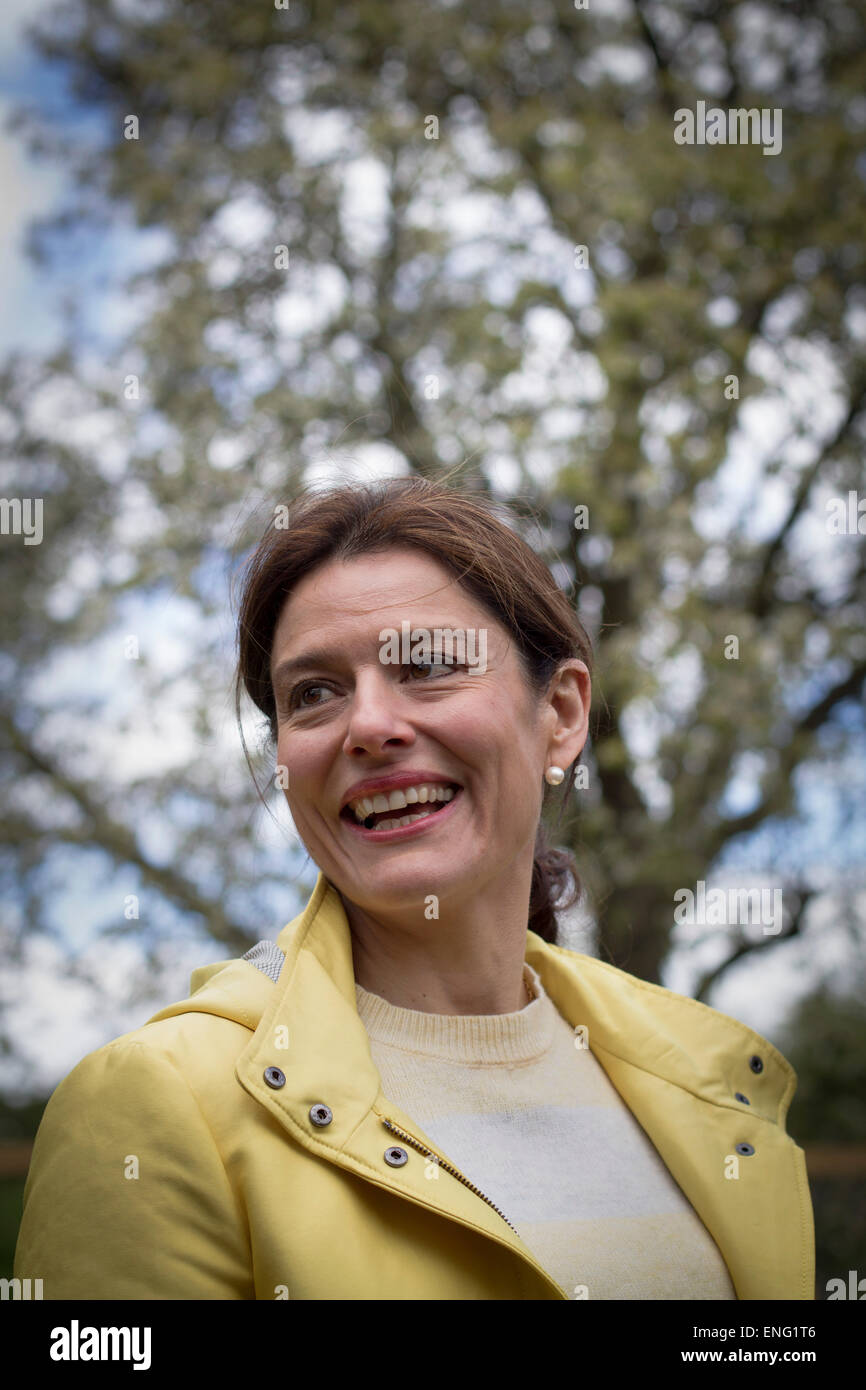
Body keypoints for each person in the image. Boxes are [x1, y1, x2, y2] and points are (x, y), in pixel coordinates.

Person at [14, 476, 814, 1300]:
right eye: (314, 693)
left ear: (563, 714)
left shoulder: (711, 1080)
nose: (367, 726)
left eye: (428, 666)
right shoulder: (158, 1101)